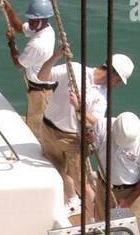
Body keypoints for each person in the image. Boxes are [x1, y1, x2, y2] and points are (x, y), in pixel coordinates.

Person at [36, 52, 134, 214]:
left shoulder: (102, 95)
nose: (117, 84)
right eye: (119, 80)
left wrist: (79, 107)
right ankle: (73, 200)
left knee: (82, 183)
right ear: (113, 73)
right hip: (47, 129)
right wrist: (56, 56)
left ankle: (97, 217)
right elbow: (43, 76)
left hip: (71, 139)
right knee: (56, 170)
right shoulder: (75, 70)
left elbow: (95, 122)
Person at [1, 0, 57, 138]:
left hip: (40, 92)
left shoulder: (38, 44)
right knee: (35, 120)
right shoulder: (46, 29)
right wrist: (9, 10)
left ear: (43, 20)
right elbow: (19, 27)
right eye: (30, 19)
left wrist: (11, 42)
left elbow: (18, 63)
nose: (30, 22)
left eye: (33, 20)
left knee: (36, 130)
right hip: (40, 88)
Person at [94, 111, 140, 234]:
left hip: (130, 192)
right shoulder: (102, 126)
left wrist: (127, 201)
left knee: (131, 234)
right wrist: (89, 142)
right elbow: (89, 151)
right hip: (103, 187)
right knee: (101, 227)